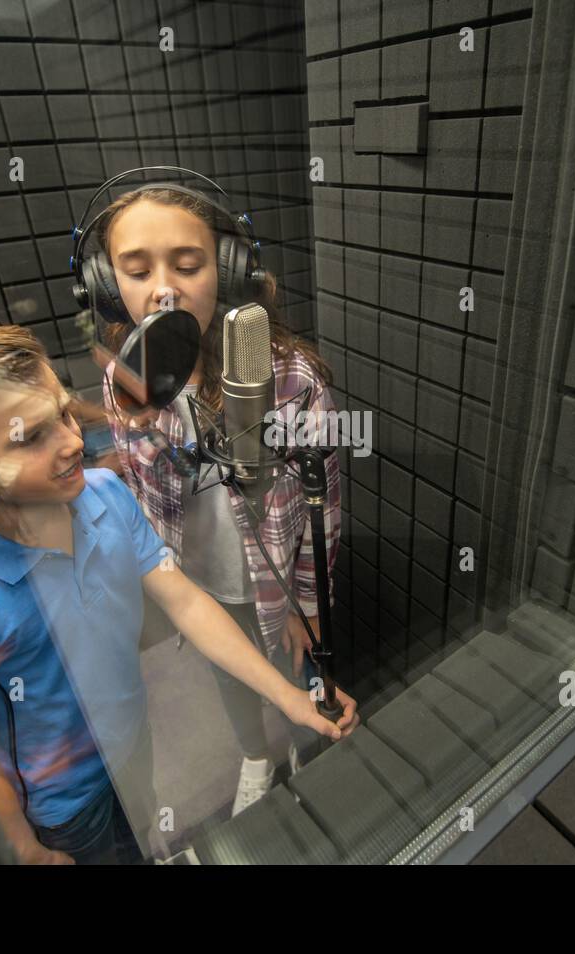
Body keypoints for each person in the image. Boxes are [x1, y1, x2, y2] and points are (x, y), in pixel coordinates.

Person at [0, 323, 357, 864]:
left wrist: (288, 695)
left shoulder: (106, 494)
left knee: (140, 842)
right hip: (63, 805)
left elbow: (187, 602)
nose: (74, 441)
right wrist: (24, 849)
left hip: (134, 747)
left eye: (63, 413)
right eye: (29, 436)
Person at [90, 182, 345, 816]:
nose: (164, 289)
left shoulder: (291, 380)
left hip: (277, 582)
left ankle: (305, 760)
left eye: (187, 264)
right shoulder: (123, 381)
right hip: (200, 582)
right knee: (229, 677)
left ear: (228, 270)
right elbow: (143, 491)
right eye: (137, 268)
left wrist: (306, 604)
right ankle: (255, 756)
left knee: (298, 679)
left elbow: (327, 510)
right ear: (104, 282)